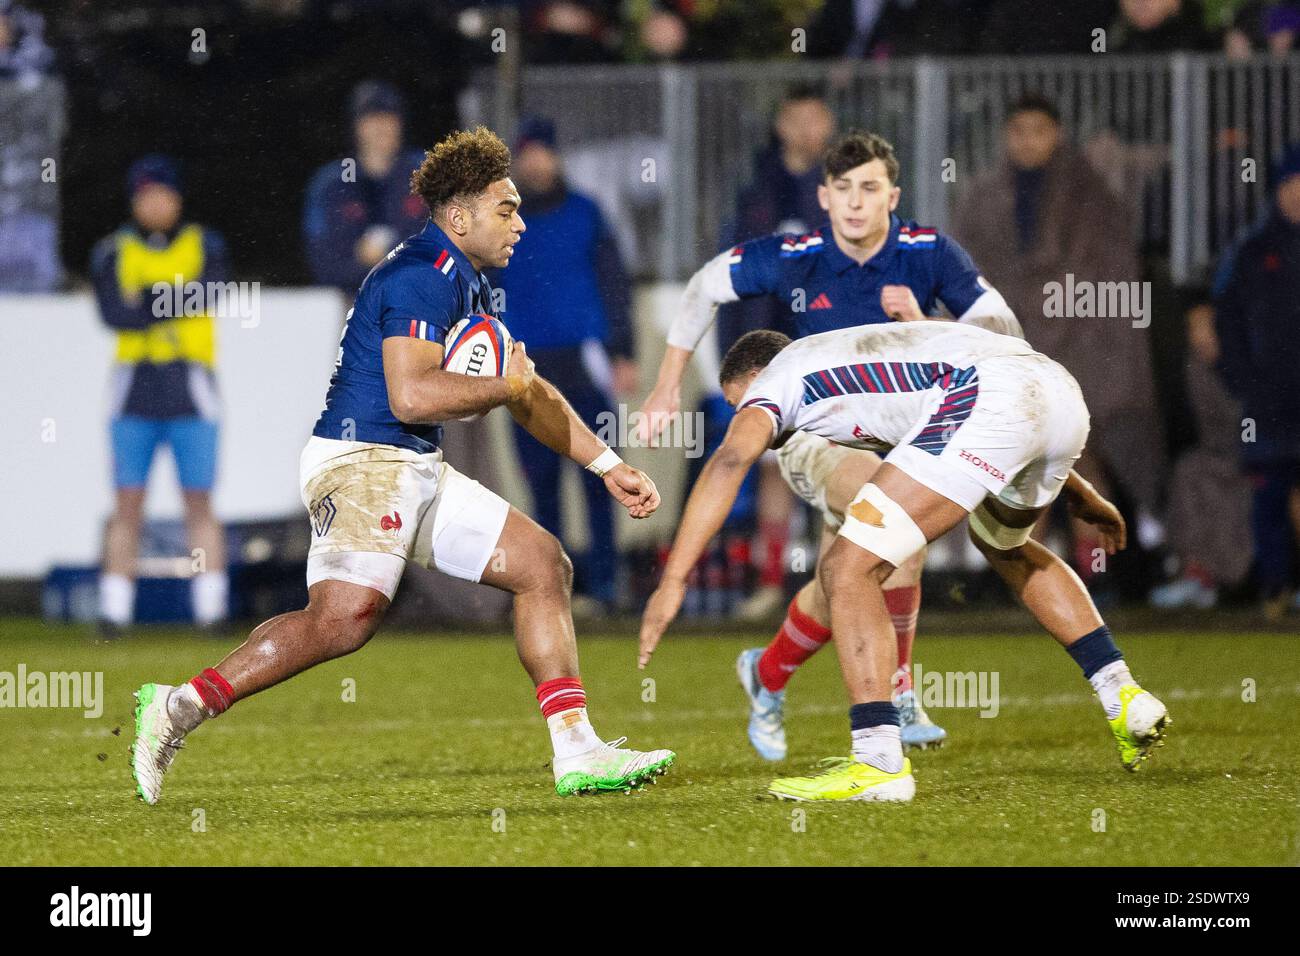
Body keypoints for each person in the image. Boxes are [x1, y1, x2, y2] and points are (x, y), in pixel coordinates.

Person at [130, 128, 674, 805]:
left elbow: (527, 389)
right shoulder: (421, 276)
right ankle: (178, 708)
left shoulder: (466, 281)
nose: (520, 221)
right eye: (505, 209)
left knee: (541, 565)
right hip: (362, 460)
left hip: (410, 461)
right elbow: (411, 393)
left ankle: (577, 750)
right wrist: (503, 387)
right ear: (458, 216)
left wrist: (606, 465)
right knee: (344, 618)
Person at [639, 323, 1171, 802]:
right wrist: (1077, 488)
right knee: (1004, 545)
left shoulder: (775, 383)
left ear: (754, 377)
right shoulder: (848, 365)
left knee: (847, 566)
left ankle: (878, 762)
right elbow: (1010, 407)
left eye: (739, 407)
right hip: (1056, 396)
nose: (746, 423)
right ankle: (1121, 694)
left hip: (990, 399)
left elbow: (730, 459)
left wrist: (674, 581)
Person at [639, 130, 1017, 757]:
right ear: (823, 196)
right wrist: (666, 386)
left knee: (849, 571)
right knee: (895, 518)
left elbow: (1002, 329)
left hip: (899, 435)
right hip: (816, 436)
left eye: (869, 188)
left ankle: (767, 674)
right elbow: (706, 283)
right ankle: (895, 691)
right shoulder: (799, 255)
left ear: (892, 195)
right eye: (843, 189)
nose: (856, 202)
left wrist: (927, 325)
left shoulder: (929, 253)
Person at [952, 94, 1167, 584]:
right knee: (1018, 469)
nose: (1028, 141)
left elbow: (1112, 280)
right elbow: (964, 274)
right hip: (1010, 356)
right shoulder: (982, 198)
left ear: (1057, 135)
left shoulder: (1092, 196)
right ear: (1006, 137)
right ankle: (1024, 582)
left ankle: (1095, 580)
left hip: (1078, 355)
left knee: (1075, 465)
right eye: (1018, 131)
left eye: (1039, 130)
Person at [490, 117, 636, 612]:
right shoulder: (501, 217)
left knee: (602, 473)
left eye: (542, 153)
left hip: (584, 358)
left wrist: (622, 351)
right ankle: (549, 587)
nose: (536, 163)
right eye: (526, 155)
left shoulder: (587, 212)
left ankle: (607, 586)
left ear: (555, 156)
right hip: (525, 363)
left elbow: (615, 282)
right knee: (541, 484)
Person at [91, 155, 230, 634]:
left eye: (162, 194)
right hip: (134, 386)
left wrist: (147, 299)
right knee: (128, 501)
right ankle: (114, 610)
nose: (154, 204)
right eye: (145, 195)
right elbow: (114, 312)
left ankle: (211, 609)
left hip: (190, 384)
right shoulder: (112, 250)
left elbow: (207, 292)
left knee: (199, 500)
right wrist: (173, 296)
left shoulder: (204, 243)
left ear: (177, 198)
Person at [1213, 144, 1300, 619]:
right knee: (1268, 494)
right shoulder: (1251, 250)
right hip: (1267, 401)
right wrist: (1243, 380)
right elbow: (1224, 321)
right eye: (1291, 184)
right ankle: (1274, 588)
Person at [303, 80, 429, 293]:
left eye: (388, 117)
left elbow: (449, 247)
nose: (380, 127)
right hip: (352, 299)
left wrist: (386, 253)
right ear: (356, 125)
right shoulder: (333, 184)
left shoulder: (428, 174)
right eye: (371, 118)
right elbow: (323, 262)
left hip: (420, 297)